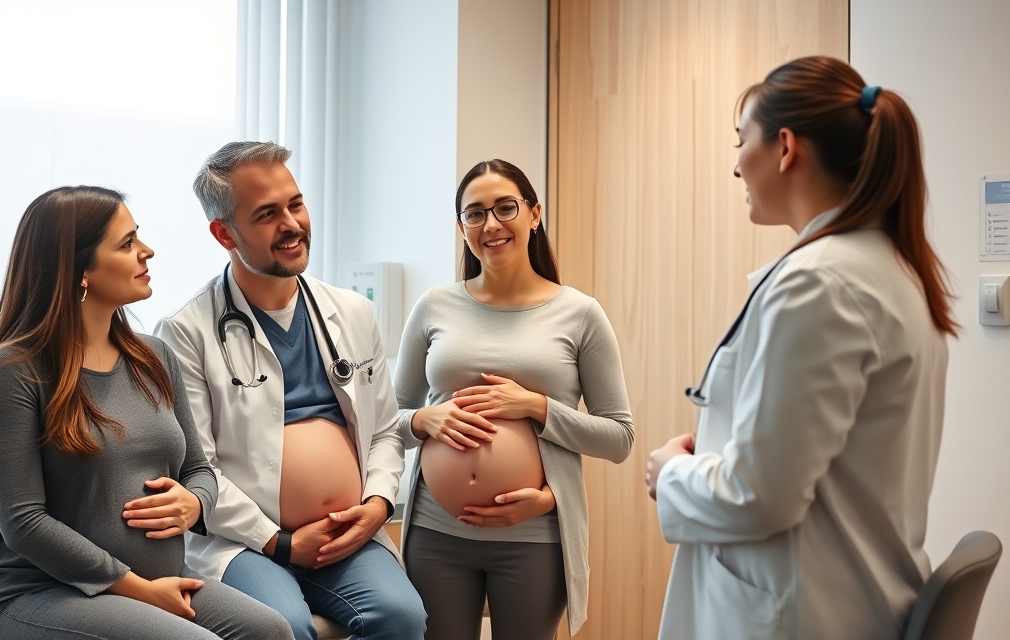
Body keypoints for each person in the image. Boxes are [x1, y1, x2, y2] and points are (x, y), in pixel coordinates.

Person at [644, 55, 957, 639]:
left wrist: (673, 473)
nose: (736, 166)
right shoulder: (884, 269)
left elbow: (760, 496)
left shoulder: (819, 283)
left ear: (785, 147)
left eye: (741, 141)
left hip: (800, 616)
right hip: (845, 595)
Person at [0, 186, 294, 640]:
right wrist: (138, 590)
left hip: (157, 580)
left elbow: (199, 469)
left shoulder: (155, 356)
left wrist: (195, 502)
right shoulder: (14, 372)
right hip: (39, 592)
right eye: (127, 243)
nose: (147, 251)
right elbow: (23, 524)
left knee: (271, 631)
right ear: (79, 270)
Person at [154, 141, 426, 640]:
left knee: (402, 616)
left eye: (295, 204)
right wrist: (279, 542)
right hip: (244, 541)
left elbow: (385, 431)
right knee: (285, 628)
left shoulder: (352, 312)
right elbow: (198, 468)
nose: (292, 224)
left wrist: (378, 506)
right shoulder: (184, 331)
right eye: (267, 214)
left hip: (348, 534)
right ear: (224, 233)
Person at [394, 159, 635, 640]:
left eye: (506, 208)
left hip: (535, 535)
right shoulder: (433, 306)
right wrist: (424, 420)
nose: (491, 225)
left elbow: (619, 438)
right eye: (475, 213)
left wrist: (536, 407)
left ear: (534, 214)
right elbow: (384, 423)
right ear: (461, 227)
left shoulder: (580, 314)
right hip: (436, 532)